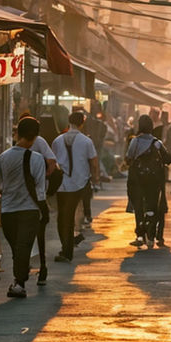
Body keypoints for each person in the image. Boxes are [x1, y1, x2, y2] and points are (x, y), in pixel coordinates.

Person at [0, 116, 49, 295]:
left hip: (8, 210)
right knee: (23, 247)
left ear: (17, 133)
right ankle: (19, 281)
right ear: (36, 137)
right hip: (30, 210)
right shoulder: (37, 159)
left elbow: (1, 184)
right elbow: (40, 188)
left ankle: (19, 282)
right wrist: (44, 209)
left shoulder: (3, 157)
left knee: (17, 248)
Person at [51, 109, 99, 263]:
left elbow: (53, 163)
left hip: (61, 184)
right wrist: (95, 179)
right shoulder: (86, 141)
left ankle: (66, 249)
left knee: (62, 217)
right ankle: (67, 250)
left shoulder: (58, 141)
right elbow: (94, 162)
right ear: (82, 123)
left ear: (69, 122)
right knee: (70, 215)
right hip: (79, 183)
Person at [125, 115, 171, 248]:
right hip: (154, 180)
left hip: (137, 180)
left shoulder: (135, 141)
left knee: (138, 207)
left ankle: (140, 235)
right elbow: (168, 159)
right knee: (152, 206)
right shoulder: (157, 142)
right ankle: (151, 236)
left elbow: (128, 158)